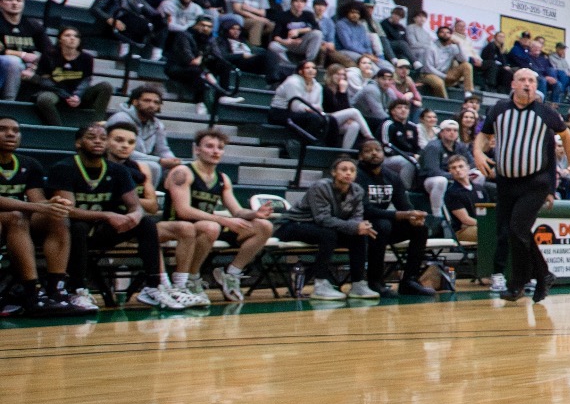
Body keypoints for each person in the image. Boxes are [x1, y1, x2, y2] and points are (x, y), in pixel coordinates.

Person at [48, 121, 178, 312]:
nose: (98, 142)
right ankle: (77, 289)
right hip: (70, 234)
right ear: (78, 143)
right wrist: (107, 214)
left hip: (104, 232)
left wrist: (134, 216)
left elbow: (136, 206)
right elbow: (67, 209)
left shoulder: (119, 170)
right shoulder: (64, 168)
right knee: (78, 227)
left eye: (102, 138)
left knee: (146, 223)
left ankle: (152, 286)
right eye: (91, 137)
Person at [474, 68, 570, 303]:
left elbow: (566, 136)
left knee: (518, 229)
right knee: (515, 232)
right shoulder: (499, 109)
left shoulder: (545, 113)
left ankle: (517, 284)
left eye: (532, 80)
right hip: (506, 182)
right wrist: (477, 153)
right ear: (513, 84)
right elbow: (483, 134)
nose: (527, 84)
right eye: (522, 80)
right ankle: (543, 275)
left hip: (535, 182)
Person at [163, 127, 276, 302]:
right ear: (197, 149)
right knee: (211, 227)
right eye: (209, 146)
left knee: (264, 226)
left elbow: (237, 211)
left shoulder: (222, 178)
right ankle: (192, 278)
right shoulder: (183, 172)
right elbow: (183, 211)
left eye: (220, 148)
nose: (215, 151)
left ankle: (231, 274)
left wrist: (255, 213)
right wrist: (224, 220)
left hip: (210, 225)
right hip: (180, 226)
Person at [108, 122, 213, 308]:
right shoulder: (100, 167)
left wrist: (126, 199)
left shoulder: (142, 168)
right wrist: (132, 201)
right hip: (111, 227)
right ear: (107, 141)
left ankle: (179, 288)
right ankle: (160, 285)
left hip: (138, 225)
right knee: (149, 227)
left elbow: (152, 205)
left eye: (131, 142)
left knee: (186, 228)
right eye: (119, 140)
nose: (125, 145)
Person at [0, 115, 82, 316]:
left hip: (19, 222)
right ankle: (32, 292)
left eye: (16, 130)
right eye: (3, 129)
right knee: (16, 216)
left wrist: (53, 204)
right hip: (11, 220)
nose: (11, 133)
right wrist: (37, 207)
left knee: (58, 217)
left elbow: (36, 200)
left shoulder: (30, 163)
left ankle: (56, 290)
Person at [277, 156, 373, 301]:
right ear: (333, 172)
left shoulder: (357, 191)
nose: (348, 173)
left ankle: (358, 284)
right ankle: (320, 285)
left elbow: (357, 217)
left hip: (322, 228)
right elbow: (323, 219)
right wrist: (354, 226)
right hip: (293, 225)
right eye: (344, 169)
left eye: (352, 170)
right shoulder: (321, 186)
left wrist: (359, 227)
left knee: (359, 235)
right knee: (328, 234)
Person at [353, 140, 435, 297]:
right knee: (382, 225)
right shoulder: (357, 176)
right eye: (368, 151)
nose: (374, 153)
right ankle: (375, 281)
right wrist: (400, 215)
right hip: (358, 225)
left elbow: (404, 206)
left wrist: (412, 216)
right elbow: (365, 210)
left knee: (420, 228)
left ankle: (410, 280)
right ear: (361, 156)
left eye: (377, 150)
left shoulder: (392, 176)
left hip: (382, 225)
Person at [33, 26, 112, 125]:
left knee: (105, 86)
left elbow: (86, 80)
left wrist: (77, 95)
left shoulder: (87, 58)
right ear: (60, 39)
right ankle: (58, 129)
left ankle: (97, 123)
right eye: (67, 35)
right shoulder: (48, 56)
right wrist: (66, 95)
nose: (72, 38)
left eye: (76, 36)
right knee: (44, 99)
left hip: (78, 95)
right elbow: (44, 80)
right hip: (56, 92)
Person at [0, 0, 53, 101]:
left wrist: (33, 68)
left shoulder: (32, 24)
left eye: (18, 1)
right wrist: (22, 54)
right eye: (9, 0)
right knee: (13, 62)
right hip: (4, 65)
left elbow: (49, 51)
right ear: (1, 3)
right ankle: (8, 101)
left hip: (26, 67)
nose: (14, 3)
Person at [91, 0, 159, 57]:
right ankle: (126, 49)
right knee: (130, 17)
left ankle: (152, 54)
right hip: (108, 26)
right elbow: (95, 9)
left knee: (157, 22)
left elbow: (153, 13)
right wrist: (111, 20)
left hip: (128, 28)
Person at [420, 119, 477, 219]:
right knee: (441, 181)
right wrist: (456, 175)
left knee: (478, 174)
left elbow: (472, 163)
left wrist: (462, 173)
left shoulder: (460, 146)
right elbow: (433, 171)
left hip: (454, 176)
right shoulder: (433, 147)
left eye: (455, 131)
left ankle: (473, 206)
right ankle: (437, 215)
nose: (452, 133)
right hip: (429, 181)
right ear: (441, 133)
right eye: (448, 130)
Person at [267, 0, 324, 73]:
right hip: (287, 43)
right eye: (296, 1)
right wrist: (286, 41)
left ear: (305, 4)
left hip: (302, 43)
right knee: (273, 45)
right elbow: (275, 36)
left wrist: (299, 31)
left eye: (302, 2)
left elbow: (317, 28)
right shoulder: (283, 15)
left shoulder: (308, 14)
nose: (299, 4)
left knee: (317, 34)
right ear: (291, 3)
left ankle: (308, 61)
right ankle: (287, 63)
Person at [443, 155, 482, 242]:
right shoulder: (451, 193)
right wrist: (486, 225)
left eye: (461, 166)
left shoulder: (479, 189)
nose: (457, 170)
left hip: (479, 225)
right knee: (485, 232)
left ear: (468, 168)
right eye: (453, 168)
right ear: (450, 171)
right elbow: (465, 220)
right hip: (463, 231)